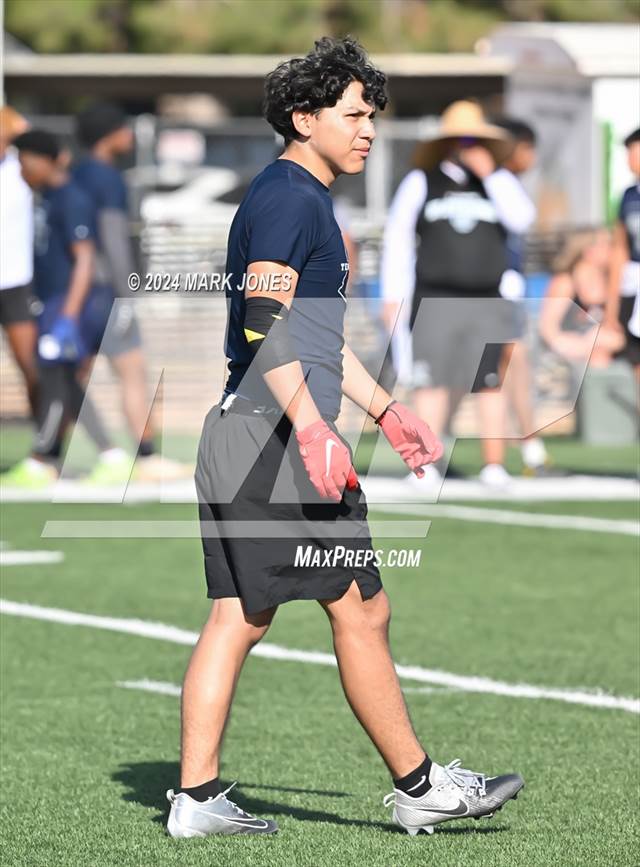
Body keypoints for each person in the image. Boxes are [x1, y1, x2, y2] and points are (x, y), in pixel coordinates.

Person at [166, 38, 523, 839]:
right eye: (355, 114)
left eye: (372, 116)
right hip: (274, 442)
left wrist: (386, 410)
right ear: (305, 117)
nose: (368, 130)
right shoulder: (292, 198)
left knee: (247, 615)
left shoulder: (297, 194)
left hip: (251, 434)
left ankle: (196, 800)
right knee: (357, 607)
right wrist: (319, 429)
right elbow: (263, 323)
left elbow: (312, 334)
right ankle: (420, 785)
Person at [381, 101, 535, 489]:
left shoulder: (499, 184)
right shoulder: (422, 181)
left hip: (487, 299)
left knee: (488, 382)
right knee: (430, 382)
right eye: (462, 140)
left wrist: (492, 174)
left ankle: (494, 464)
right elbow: (397, 241)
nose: (468, 147)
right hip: (435, 297)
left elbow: (522, 218)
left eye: (476, 141)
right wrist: (391, 296)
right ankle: (425, 465)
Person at [73, 103, 190, 482]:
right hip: (104, 289)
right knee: (132, 373)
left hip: (76, 290)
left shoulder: (75, 173)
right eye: (122, 128)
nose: (128, 135)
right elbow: (113, 240)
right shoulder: (106, 177)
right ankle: (144, 456)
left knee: (71, 378)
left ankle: (98, 452)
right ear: (108, 135)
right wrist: (128, 294)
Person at [1, 130, 122, 488]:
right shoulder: (45, 197)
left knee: (53, 376)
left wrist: (68, 316)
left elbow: (84, 260)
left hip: (70, 302)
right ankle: (110, 455)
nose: (22, 171)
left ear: (45, 161)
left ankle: (42, 460)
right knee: (66, 381)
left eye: (26, 163)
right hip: (52, 300)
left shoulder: (71, 198)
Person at [491, 116, 550, 475]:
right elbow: (524, 218)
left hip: (503, 291)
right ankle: (530, 449)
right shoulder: (497, 182)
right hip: (494, 291)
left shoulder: (500, 182)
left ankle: (530, 448)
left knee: (510, 368)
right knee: (512, 367)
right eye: (527, 148)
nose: (531, 157)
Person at [0, 106, 38, 417]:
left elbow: (25, 127)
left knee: (31, 367)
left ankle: (46, 445)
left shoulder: (21, 169)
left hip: (15, 281)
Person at [539, 229, 624, 366]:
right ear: (588, 251)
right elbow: (548, 330)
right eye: (606, 244)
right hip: (570, 357)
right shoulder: (565, 282)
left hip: (605, 356)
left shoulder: (611, 282)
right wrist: (585, 346)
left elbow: (617, 333)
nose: (612, 250)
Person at [604, 127, 640, 381]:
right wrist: (611, 309)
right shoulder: (629, 196)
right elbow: (620, 249)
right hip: (633, 286)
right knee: (634, 359)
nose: (630, 159)